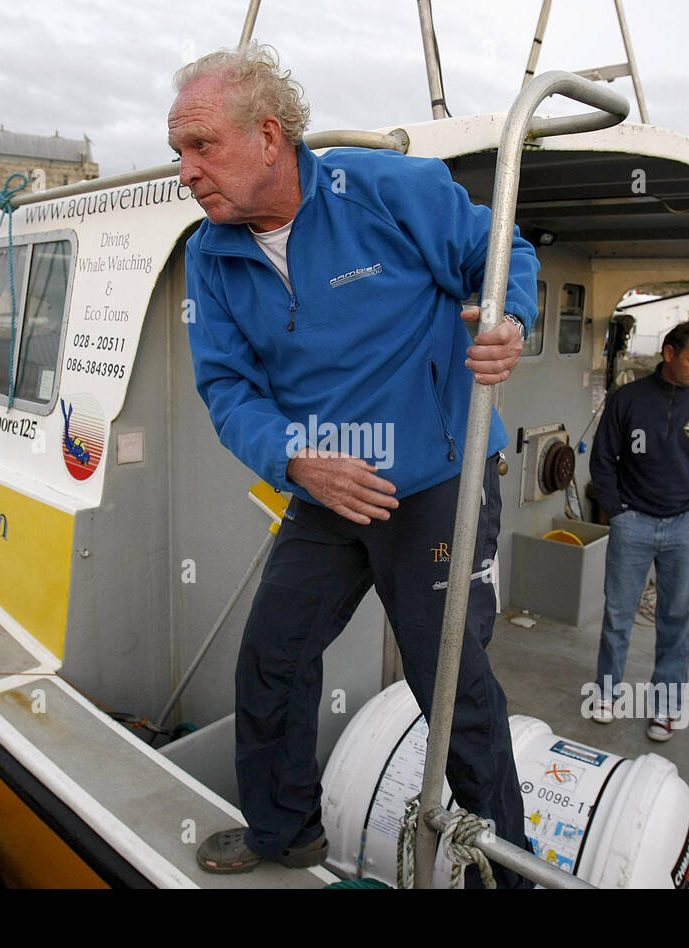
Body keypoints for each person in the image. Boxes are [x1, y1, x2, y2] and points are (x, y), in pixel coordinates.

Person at [170, 43, 539, 887]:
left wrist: (507, 317)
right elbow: (227, 389)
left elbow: (502, 250)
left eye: (201, 147)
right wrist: (296, 460)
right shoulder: (211, 255)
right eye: (178, 151)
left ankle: (511, 873)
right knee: (272, 655)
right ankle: (284, 830)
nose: (186, 171)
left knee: (451, 685)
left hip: (438, 479)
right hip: (328, 485)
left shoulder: (387, 189)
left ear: (268, 136)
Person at [587, 320, 689, 741]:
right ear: (669, 353)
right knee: (617, 616)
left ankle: (665, 709)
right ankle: (607, 694)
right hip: (632, 524)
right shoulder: (627, 400)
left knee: (676, 619)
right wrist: (617, 512)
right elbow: (603, 460)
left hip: (684, 529)